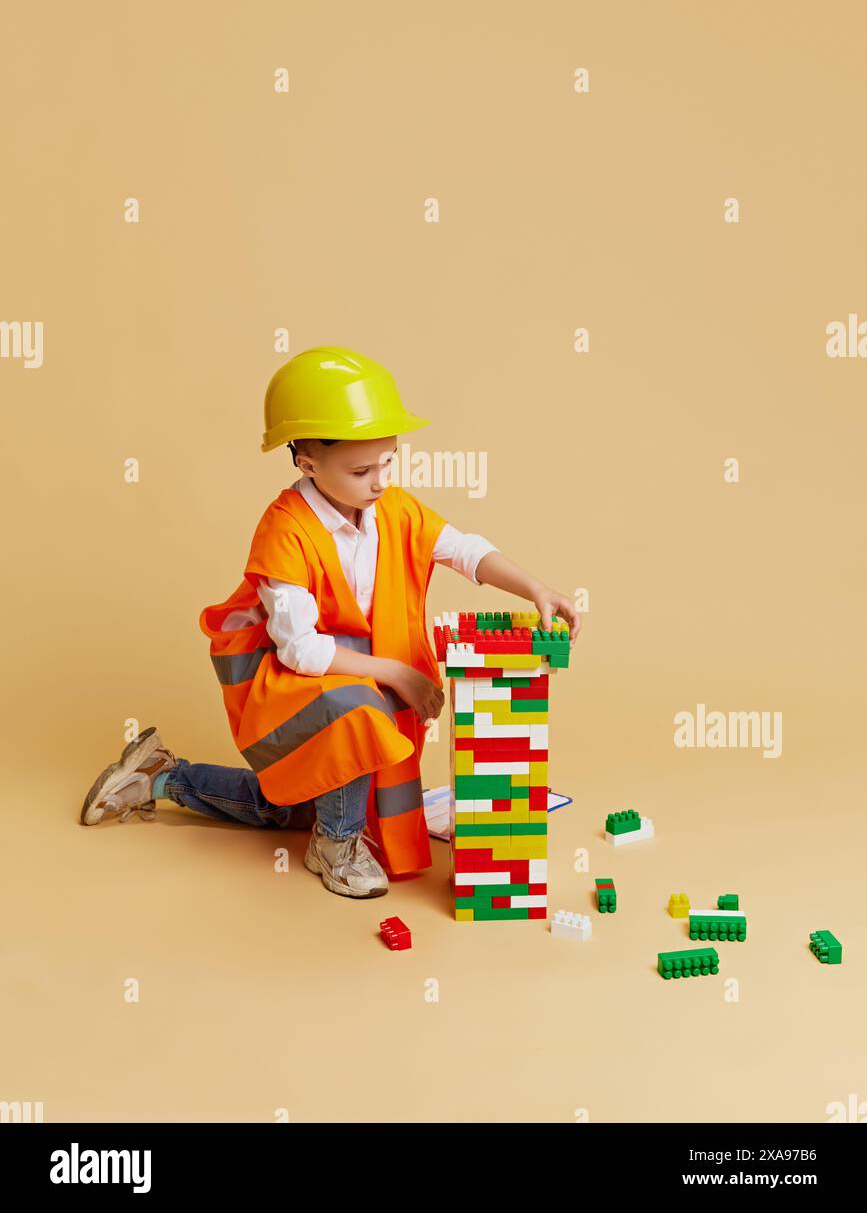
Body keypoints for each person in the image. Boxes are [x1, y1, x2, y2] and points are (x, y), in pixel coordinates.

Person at [80, 346, 580, 899]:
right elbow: (301, 653)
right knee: (358, 714)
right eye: (362, 470)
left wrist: (535, 587)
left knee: (293, 806)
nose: (380, 481)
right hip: (288, 684)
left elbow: (463, 550)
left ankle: (161, 776)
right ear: (308, 463)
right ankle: (335, 848)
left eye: (388, 462)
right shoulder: (284, 530)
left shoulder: (392, 510)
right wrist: (396, 672)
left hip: (354, 677)